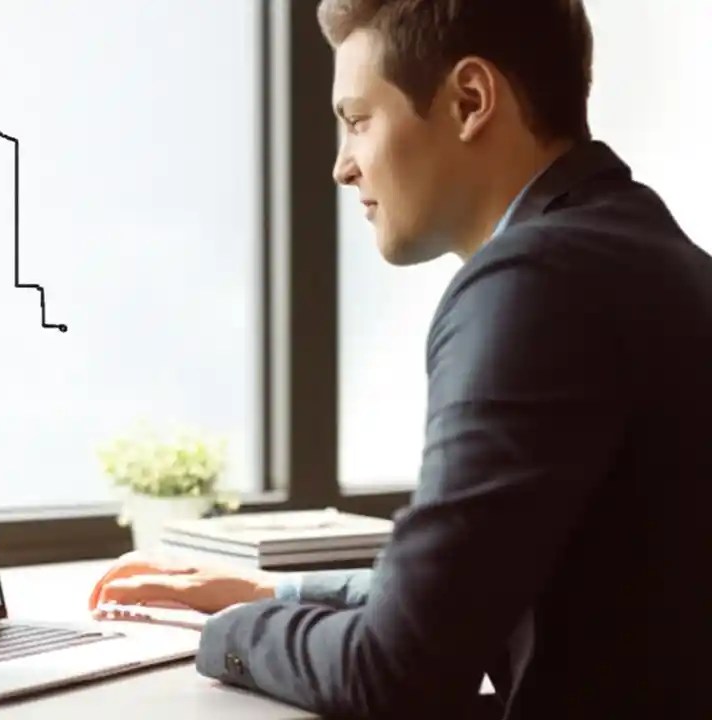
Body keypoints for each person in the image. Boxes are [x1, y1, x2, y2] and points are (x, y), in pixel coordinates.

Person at [89, 1, 712, 717]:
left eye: (357, 120)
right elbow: (484, 585)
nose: (340, 166)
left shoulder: (532, 281)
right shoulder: (661, 257)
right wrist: (280, 592)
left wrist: (226, 634)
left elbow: (394, 673)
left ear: (470, 100)